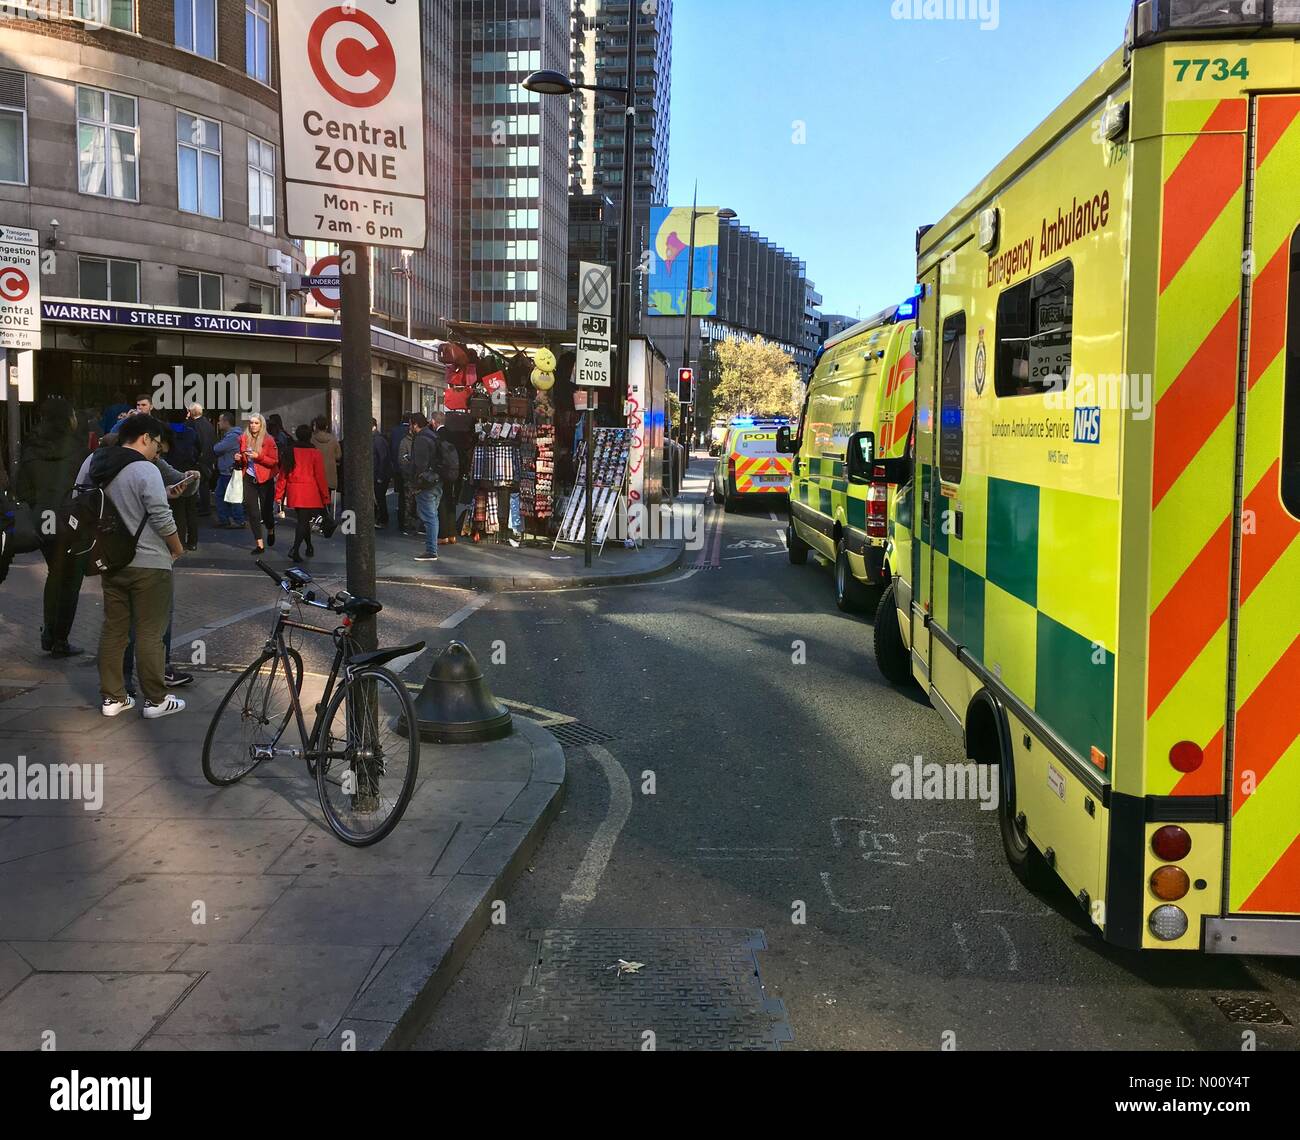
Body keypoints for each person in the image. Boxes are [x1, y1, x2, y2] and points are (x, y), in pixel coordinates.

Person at [92, 414, 186, 720]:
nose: (157, 452)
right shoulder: (145, 469)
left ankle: (113, 698)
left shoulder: (97, 464)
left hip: (111, 561)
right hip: (149, 563)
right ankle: (156, 701)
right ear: (145, 438)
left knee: (114, 630)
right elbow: (160, 515)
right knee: (149, 633)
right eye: (156, 445)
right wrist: (176, 547)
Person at [15, 395, 88, 656]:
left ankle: (49, 631)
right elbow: (87, 486)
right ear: (68, 419)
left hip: (41, 519)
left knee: (55, 574)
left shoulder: (32, 447)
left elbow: (21, 488)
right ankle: (60, 639)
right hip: (70, 521)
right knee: (71, 579)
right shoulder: (77, 449)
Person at [410, 412, 458, 563]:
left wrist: (416, 483)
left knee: (429, 517)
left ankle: (431, 550)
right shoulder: (433, 436)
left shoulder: (421, 439)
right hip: (437, 480)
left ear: (415, 424)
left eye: (410, 424)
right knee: (432, 515)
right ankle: (432, 549)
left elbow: (420, 465)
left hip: (427, 483)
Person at [285, 424, 336, 561]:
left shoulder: (290, 451)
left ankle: (309, 546)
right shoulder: (315, 453)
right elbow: (320, 477)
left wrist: (279, 495)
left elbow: (284, 473)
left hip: (294, 490)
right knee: (303, 521)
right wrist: (325, 497)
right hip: (309, 491)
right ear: (310, 436)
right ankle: (295, 549)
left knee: (303, 520)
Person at [238, 413, 279, 554]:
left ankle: (271, 528)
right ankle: (259, 544)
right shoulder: (244, 438)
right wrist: (238, 458)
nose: (253, 425)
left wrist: (258, 457)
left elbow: (274, 461)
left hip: (265, 479)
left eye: (256, 423)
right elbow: (243, 461)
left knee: (266, 512)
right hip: (249, 478)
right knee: (252, 511)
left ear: (261, 425)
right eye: (251, 423)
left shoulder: (269, 440)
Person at [163, 417, 200, 550]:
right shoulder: (191, 432)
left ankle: (179, 543)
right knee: (191, 509)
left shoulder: (166, 431)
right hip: (189, 470)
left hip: (172, 471)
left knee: (177, 510)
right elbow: (198, 450)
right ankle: (193, 541)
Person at [212, 412, 245, 528]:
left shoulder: (232, 436)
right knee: (220, 495)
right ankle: (225, 519)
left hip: (229, 471)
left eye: (220, 421)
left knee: (233, 496)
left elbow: (217, 448)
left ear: (226, 422)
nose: (218, 423)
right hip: (226, 471)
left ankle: (238, 520)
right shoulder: (230, 435)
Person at [187, 402, 215, 517]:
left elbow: (197, 442)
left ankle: (203, 507)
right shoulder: (208, 424)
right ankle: (205, 506)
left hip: (199, 457)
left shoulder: (194, 425)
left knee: (200, 482)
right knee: (204, 483)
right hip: (208, 457)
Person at [267, 413, 295, 518]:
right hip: (282, 463)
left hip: (277, 463)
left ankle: (277, 508)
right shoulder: (284, 434)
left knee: (277, 486)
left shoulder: (278, 435)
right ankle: (279, 508)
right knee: (280, 487)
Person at [312, 414, 341, 513]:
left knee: (316, 498)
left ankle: (317, 518)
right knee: (326, 496)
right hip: (329, 473)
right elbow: (338, 455)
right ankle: (327, 516)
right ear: (326, 426)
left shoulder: (312, 440)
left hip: (315, 473)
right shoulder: (333, 439)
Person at [388, 412, 412, 532]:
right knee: (407, 494)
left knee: (401, 493)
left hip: (397, 467)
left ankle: (401, 518)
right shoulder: (410, 432)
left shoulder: (394, 430)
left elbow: (391, 447)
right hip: (408, 467)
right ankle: (407, 520)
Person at [372, 417, 392, 527]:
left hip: (379, 474)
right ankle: (380, 518)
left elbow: (383, 458)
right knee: (378, 497)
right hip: (377, 473)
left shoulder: (378, 440)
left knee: (379, 497)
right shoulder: (376, 439)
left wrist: (380, 475)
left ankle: (382, 519)